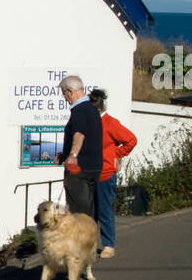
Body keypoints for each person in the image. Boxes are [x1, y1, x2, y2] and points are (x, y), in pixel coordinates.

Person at [89, 88, 137, 258]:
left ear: (98, 108)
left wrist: (116, 153)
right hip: (88, 173)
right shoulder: (88, 123)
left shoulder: (111, 123)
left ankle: (108, 244)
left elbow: (131, 140)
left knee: (104, 209)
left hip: (105, 172)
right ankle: (90, 244)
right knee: (89, 211)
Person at [55, 75, 103, 218]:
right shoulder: (92, 109)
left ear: (70, 91)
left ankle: (79, 240)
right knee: (89, 212)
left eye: (64, 94)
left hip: (80, 170)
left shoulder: (80, 109)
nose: (65, 98)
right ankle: (89, 239)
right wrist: (63, 155)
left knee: (78, 214)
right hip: (94, 166)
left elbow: (79, 134)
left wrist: (72, 156)